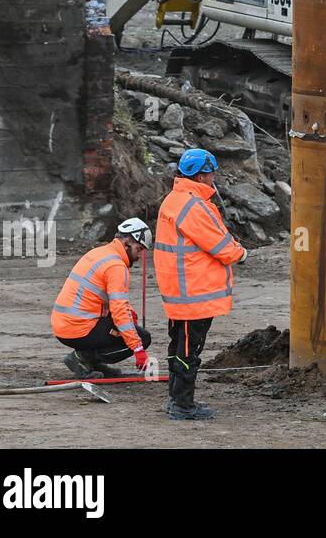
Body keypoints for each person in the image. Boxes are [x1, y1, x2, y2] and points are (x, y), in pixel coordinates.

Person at [154, 148, 247, 421]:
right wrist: (241, 253)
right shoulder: (193, 205)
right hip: (193, 293)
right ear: (201, 174)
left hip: (180, 291)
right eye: (211, 172)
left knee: (179, 347)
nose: (214, 178)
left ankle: (177, 400)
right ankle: (182, 405)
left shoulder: (175, 199)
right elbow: (219, 245)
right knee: (188, 350)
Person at [52, 219, 154, 379]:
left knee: (129, 328)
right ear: (127, 242)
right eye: (139, 249)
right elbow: (119, 310)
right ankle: (82, 358)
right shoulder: (116, 266)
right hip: (78, 328)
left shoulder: (99, 253)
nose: (140, 255)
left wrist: (130, 313)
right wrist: (138, 349)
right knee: (142, 337)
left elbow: (110, 300)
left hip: (65, 324)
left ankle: (89, 361)